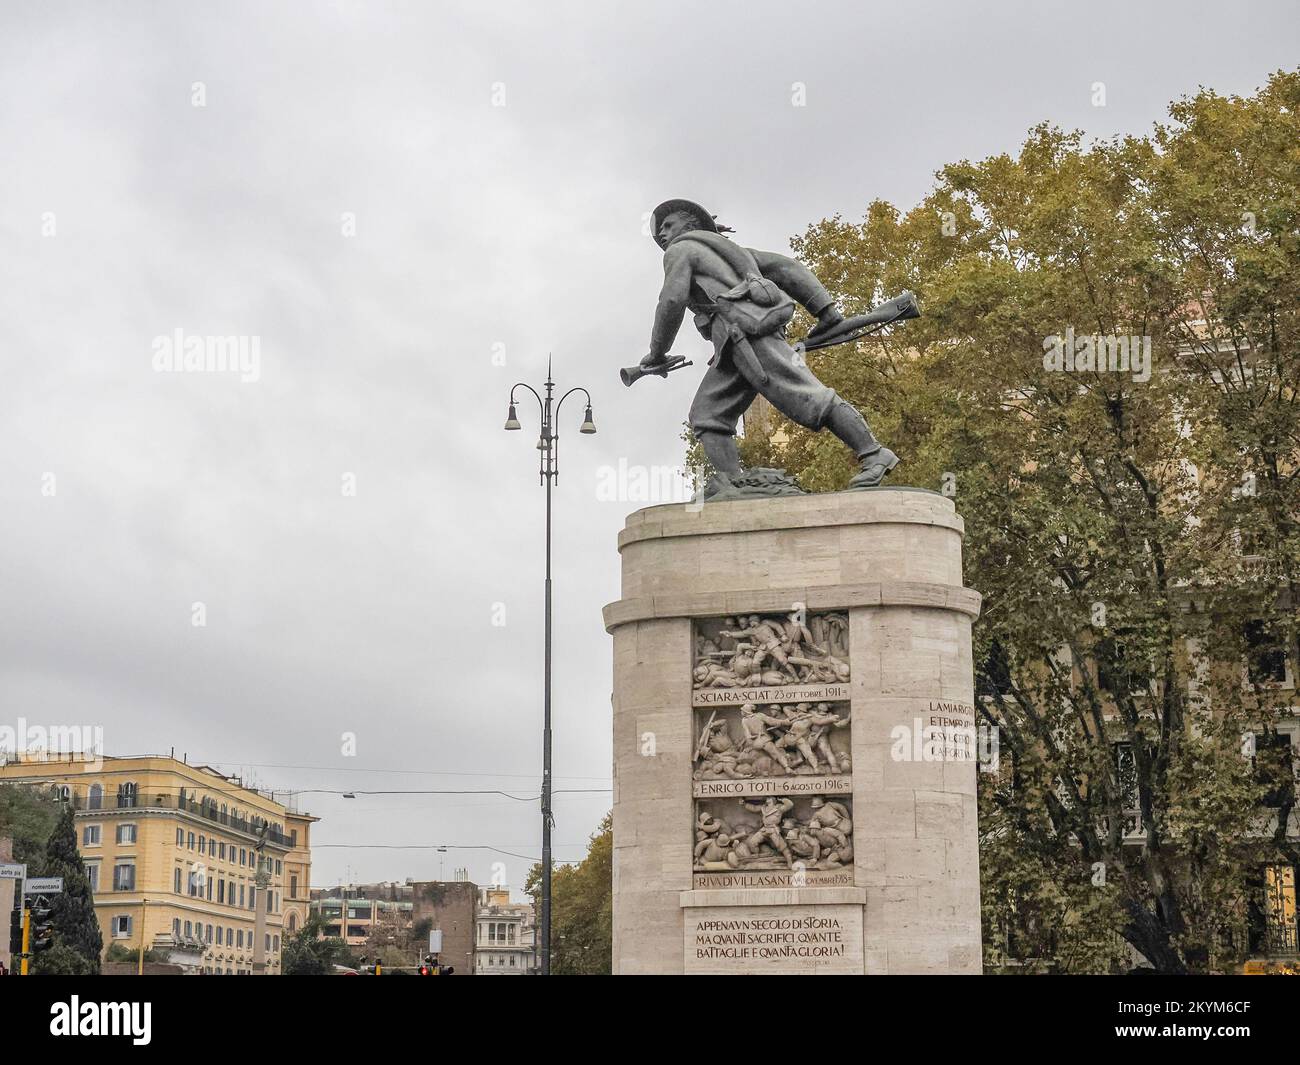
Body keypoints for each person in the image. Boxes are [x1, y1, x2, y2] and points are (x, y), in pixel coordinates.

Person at [638, 198, 898, 499]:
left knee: (806, 396)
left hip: (747, 337)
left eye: (669, 225)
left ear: (691, 225)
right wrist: (825, 311)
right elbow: (787, 268)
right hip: (733, 345)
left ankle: (873, 453)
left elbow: (671, 301)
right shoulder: (735, 255)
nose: (663, 234)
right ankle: (732, 483)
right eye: (660, 233)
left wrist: (657, 352)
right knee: (708, 415)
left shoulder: (681, 250)